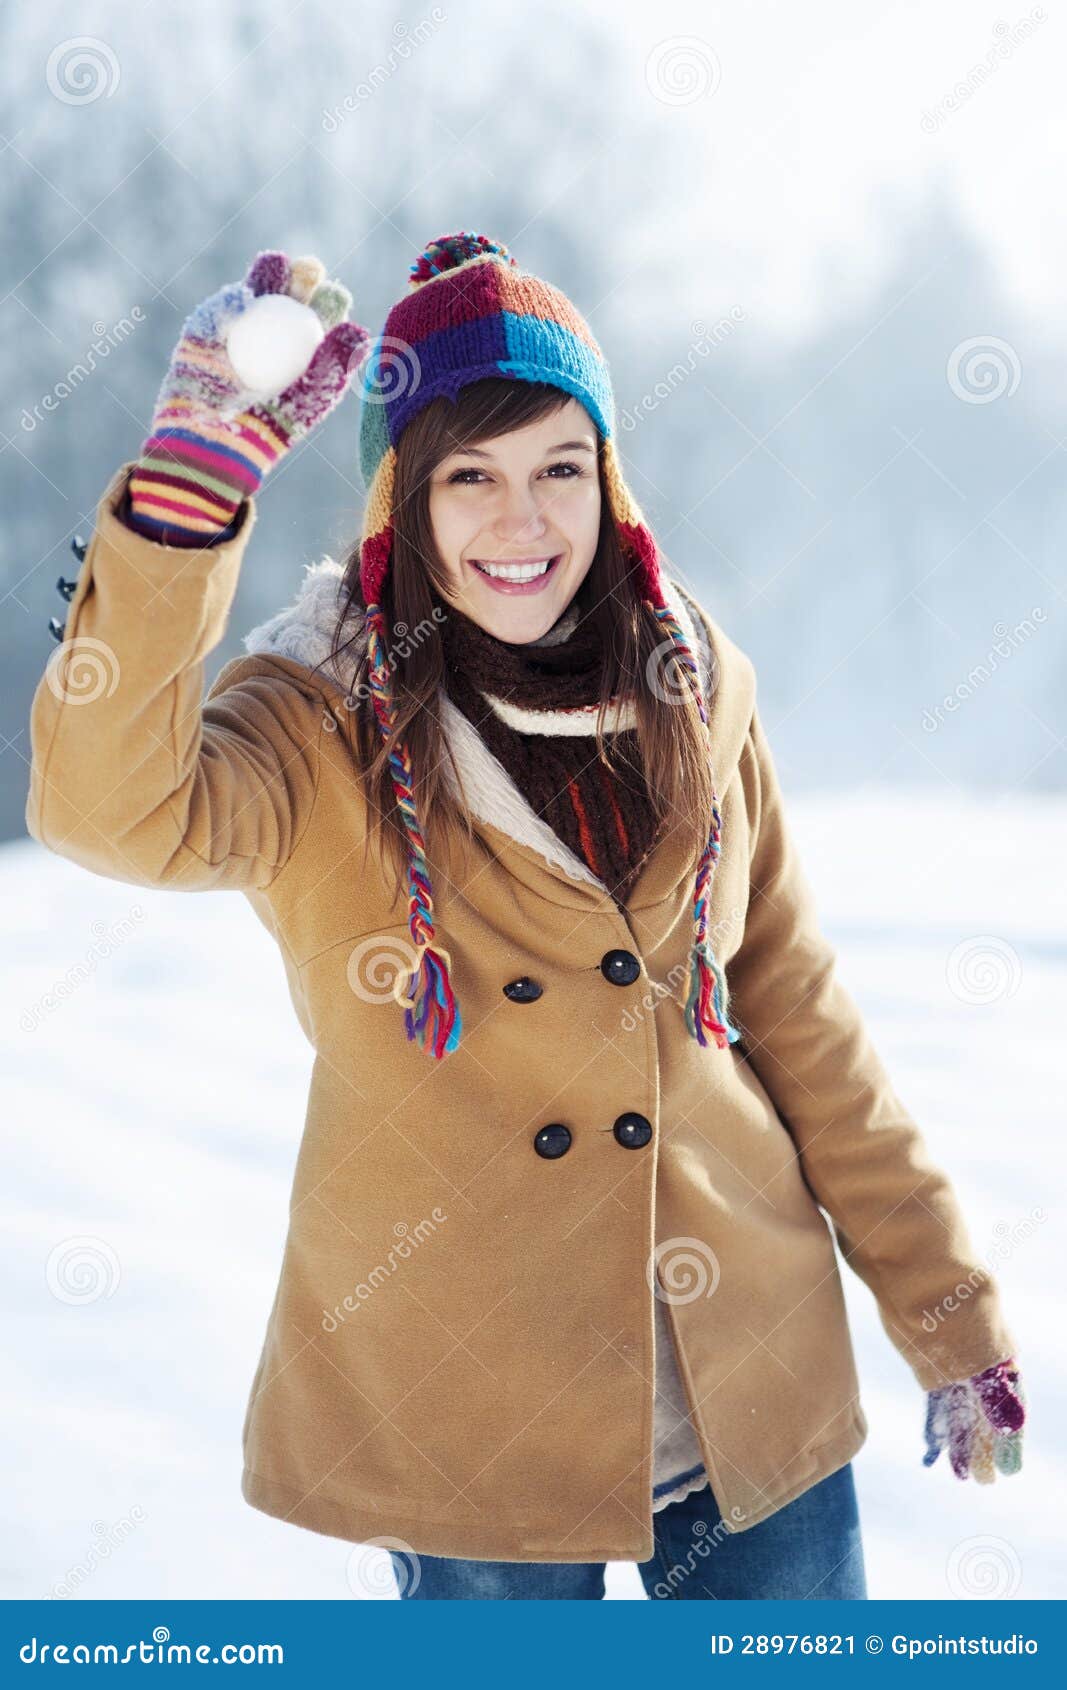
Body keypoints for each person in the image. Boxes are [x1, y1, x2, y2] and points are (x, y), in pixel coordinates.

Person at [25, 234, 1026, 1601]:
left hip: (754, 1394)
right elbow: (110, 809)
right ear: (404, 501)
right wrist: (182, 517)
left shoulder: (695, 679)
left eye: (561, 466)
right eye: (471, 478)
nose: (524, 521)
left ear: (607, 476)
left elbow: (792, 1010)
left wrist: (949, 1313)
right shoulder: (320, 720)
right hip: (472, 1409)